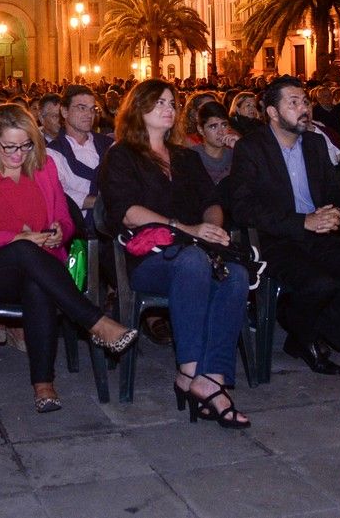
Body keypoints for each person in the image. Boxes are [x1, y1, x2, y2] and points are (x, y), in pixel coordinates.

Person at [0, 103, 137, 414]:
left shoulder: (44, 166)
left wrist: (58, 232)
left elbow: (65, 218)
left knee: (37, 284)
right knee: (25, 250)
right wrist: (16, 238)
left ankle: (44, 385)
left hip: (43, 267)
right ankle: (94, 321)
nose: (18, 154)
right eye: (10, 147)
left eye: (25, 145)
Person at [98, 80, 250, 427]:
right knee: (192, 262)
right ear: (138, 109)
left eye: (171, 103)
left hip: (194, 251)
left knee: (236, 274)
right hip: (148, 257)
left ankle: (210, 378)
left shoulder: (186, 157)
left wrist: (212, 229)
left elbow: (211, 202)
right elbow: (127, 212)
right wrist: (185, 228)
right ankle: (190, 369)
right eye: (159, 103)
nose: (168, 109)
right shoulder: (121, 156)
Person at [230, 77, 340, 375]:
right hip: (276, 240)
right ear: (272, 112)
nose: (304, 108)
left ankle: (308, 335)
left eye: (305, 101)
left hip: (320, 236)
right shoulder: (251, 148)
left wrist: (338, 212)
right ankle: (303, 332)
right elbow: (243, 208)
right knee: (320, 283)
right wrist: (302, 221)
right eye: (293, 102)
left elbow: (336, 192)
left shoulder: (315, 144)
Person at [46, 84, 114, 215]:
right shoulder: (52, 153)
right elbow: (59, 193)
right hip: (75, 223)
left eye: (92, 109)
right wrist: (100, 202)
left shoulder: (108, 145)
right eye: (82, 108)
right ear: (64, 111)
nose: (89, 114)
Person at [191, 102, 238, 185]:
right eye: (213, 126)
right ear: (201, 130)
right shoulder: (191, 157)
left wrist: (240, 148)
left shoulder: (235, 154)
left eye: (224, 125)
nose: (220, 132)